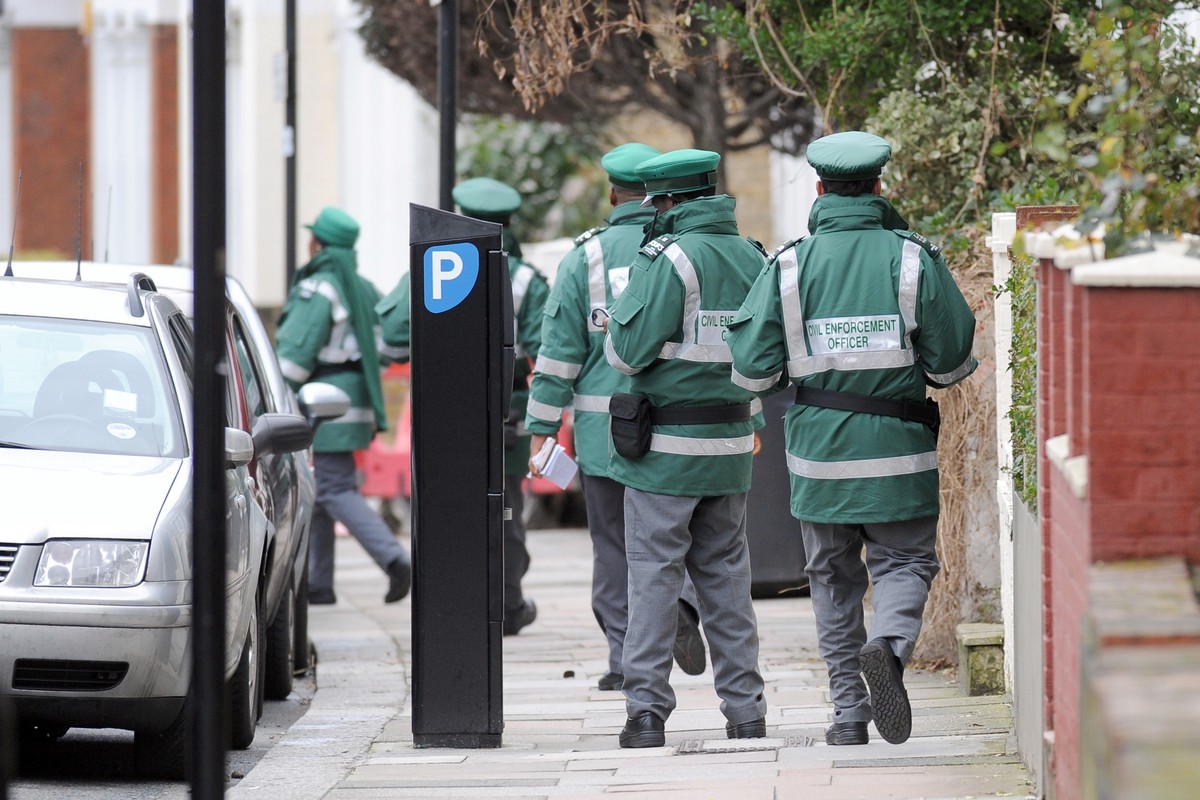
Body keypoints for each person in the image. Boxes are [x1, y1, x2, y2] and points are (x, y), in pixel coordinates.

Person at [726, 131, 978, 747]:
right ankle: (888, 647)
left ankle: (847, 716)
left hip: (818, 457)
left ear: (819, 189)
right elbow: (948, 364)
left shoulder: (787, 265)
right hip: (899, 451)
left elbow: (752, 370)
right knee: (906, 561)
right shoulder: (915, 257)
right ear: (879, 187)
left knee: (832, 579)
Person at [525, 143, 707, 692]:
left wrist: (539, 431)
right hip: (680, 424)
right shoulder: (685, 248)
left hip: (606, 433)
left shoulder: (587, 257)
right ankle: (682, 602)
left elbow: (557, 355)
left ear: (611, 193)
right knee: (679, 534)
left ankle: (624, 656)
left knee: (613, 543)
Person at [603, 148, 768, 748]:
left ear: (667, 201)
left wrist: (615, 322)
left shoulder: (668, 259)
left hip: (665, 452)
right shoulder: (755, 256)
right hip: (728, 443)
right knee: (726, 579)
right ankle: (746, 713)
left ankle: (646, 713)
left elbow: (626, 354)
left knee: (652, 576)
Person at [376, 177, 548, 636]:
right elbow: (546, 349)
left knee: (447, 508)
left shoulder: (432, 264)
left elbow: (391, 337)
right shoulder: (529, 279)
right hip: (507, 414)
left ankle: (451, 606)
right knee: (505, 509)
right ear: (511, 222)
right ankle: (508, 604)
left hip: (444, 410)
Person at [276, 206, 412, 606]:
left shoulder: (318, 289)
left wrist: (275, 396)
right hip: (356, 398)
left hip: (323, 401)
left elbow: (292, 357)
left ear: (317, 243)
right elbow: (389, 346)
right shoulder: (365, 288)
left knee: (333, 487)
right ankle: (319, 583)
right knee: (319, 488)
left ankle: (393, 557)